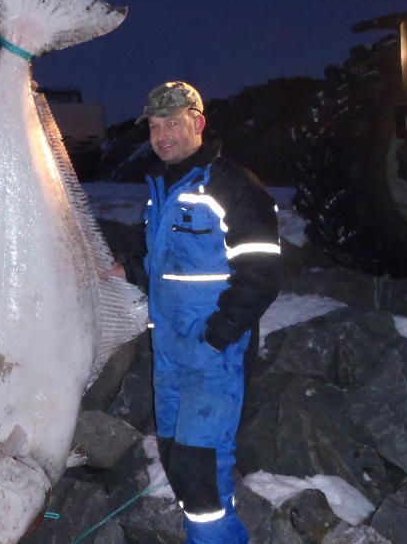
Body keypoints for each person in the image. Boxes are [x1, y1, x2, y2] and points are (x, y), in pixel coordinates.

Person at [102, 82, 281, 543]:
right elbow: (174, 260)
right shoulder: (161, 187)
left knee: (200, 471)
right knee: (175, 458)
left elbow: (261, 271)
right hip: (169, 356)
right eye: (156, 126)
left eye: (173, 124)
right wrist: (131, 269)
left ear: (197, 123)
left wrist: (219, 334)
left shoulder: (232, 185)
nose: (162, 135)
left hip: (211, 358)